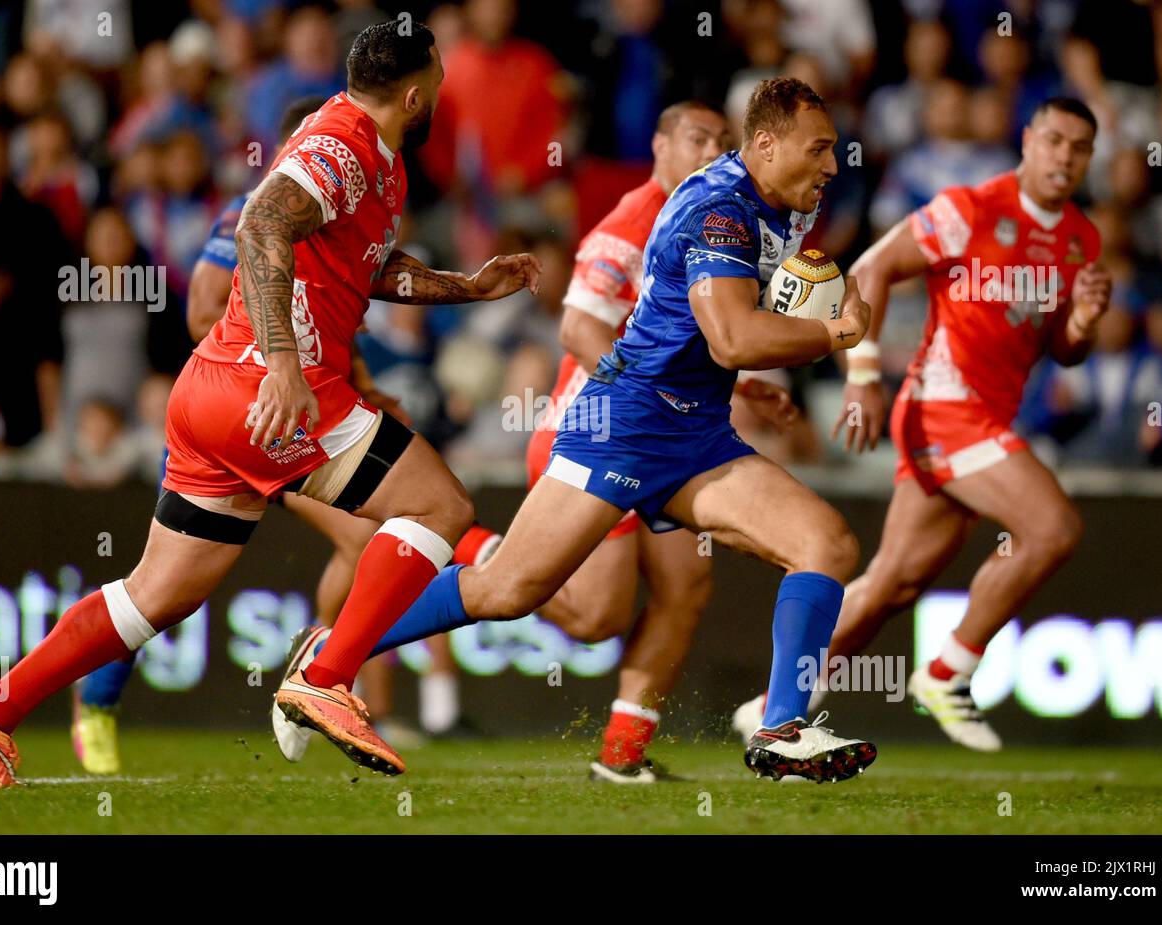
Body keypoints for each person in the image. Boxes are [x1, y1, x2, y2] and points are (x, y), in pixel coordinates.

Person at [0, 20, 540, 788]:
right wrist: (287, 367)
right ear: (418, 95)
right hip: (272, 390)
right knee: (441, 507)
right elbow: (263, 224)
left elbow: (367, 266)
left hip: (214, 398)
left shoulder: (377, 161)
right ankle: (326, 676)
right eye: (440, 91)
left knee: (157, 594)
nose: (440, 104)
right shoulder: (342, 143)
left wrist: (465, 284)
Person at [312, 77, 880, 783]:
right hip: (623, 422)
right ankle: (330, 655)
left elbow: (731, 330)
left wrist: (807, 337)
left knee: (824, 543)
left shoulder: (785, 207)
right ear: (763, 145)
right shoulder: (716, 211)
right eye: (819, 149)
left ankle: (778, 730)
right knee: (511, 590)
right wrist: (832, 334)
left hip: (695, 433)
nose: (832, 165)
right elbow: (729, 337)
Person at [732, 98, 1112, 752]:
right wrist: (862, 374)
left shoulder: (1082, 238)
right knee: (1053, 528)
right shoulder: (969, 209)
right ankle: (948, 671)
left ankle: (772, 707)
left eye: (1079, 147)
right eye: (1054, 140)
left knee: (891, 585)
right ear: (1027, 140)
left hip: (985, 418)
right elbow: (873, 268)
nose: (1065, 156)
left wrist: (1080, 323)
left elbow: (1061, 346)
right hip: (942, 406)